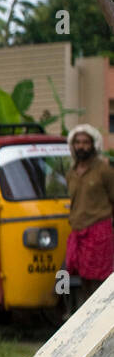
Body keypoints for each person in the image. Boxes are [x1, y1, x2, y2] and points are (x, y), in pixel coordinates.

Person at [63, 124, 114, 313]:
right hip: (77, 231)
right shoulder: (71, 173)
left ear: (93, 144)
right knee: (73, 275)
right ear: (72, 145)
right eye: (77, 142)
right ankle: (81, 315)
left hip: (99, 230)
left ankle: (103, 317)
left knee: (99, 280)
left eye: (85, 142)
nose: (81, 146)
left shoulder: (104, 171)